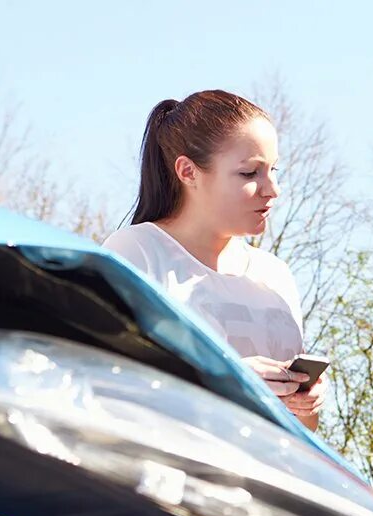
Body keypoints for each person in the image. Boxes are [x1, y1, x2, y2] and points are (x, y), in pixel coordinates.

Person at [104, 90, 324, 430]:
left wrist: (306, 403)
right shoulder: (137, 252)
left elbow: (303, 430)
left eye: (274, 170)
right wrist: (228, 381)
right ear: (188, 171)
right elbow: (109, 389)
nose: (272, 189)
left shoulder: (275, 274)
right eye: (250, 173)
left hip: (267, 478)